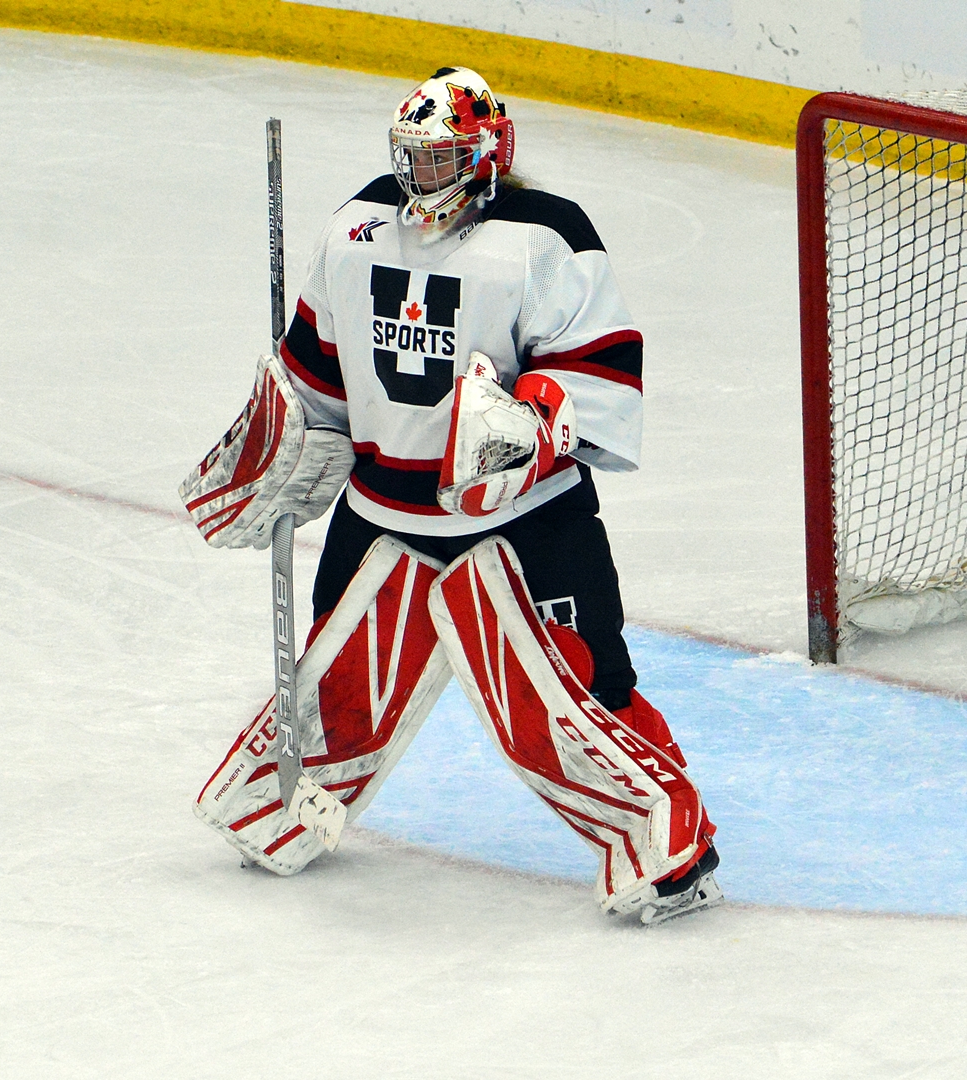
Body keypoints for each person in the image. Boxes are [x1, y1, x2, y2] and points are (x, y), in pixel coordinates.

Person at [180, 67, 720, 925]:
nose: (422, 174)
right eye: (413, 156)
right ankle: (282, 805)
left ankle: (673, 849)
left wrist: (530, 426)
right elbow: (317, 372)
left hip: (523, 525)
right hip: (380, 515)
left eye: (442, 157)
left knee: (577, 696)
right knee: (337, 687)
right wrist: (281, 440)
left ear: (489, 153)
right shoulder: (356, 228)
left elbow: (599, 374)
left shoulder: (546, 235)